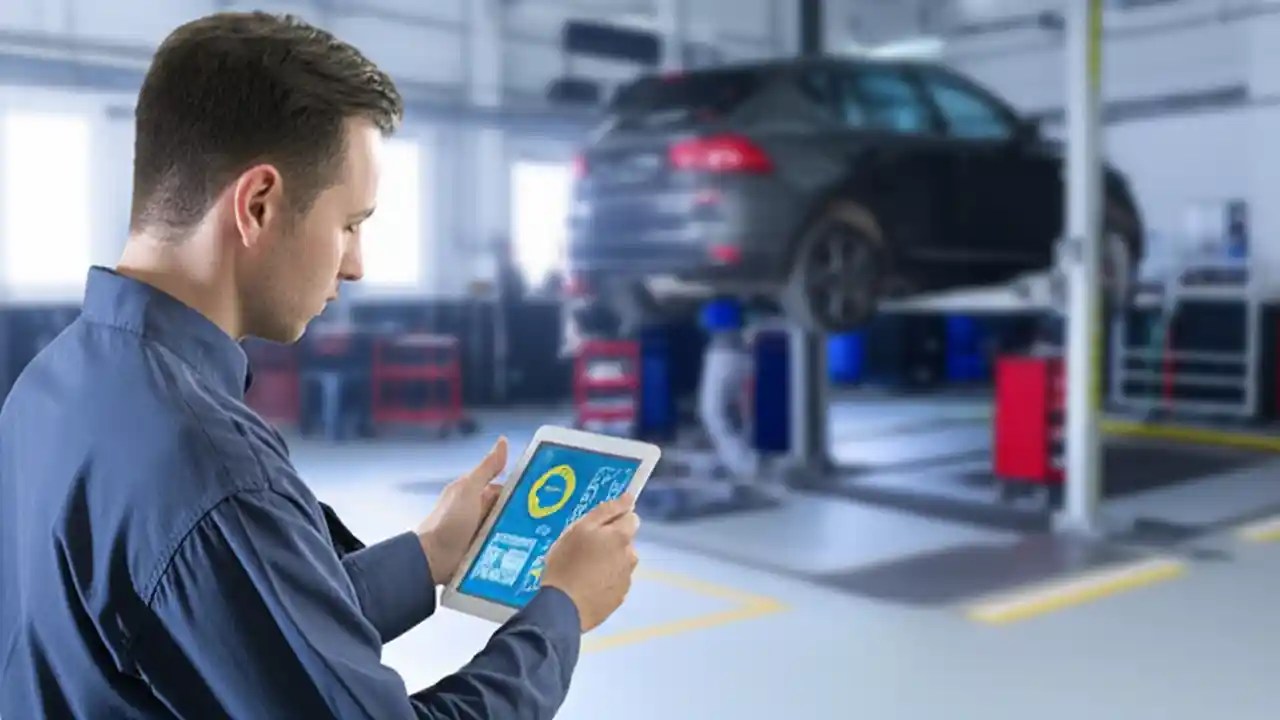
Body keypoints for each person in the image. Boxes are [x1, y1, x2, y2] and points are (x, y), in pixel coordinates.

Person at [0, 12, 640, 719]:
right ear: (259, 204)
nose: (358, 265)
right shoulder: (212, 470)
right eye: (350, 224)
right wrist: (561, 611)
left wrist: (429, 552)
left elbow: (241, 623)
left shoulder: (51, 384)